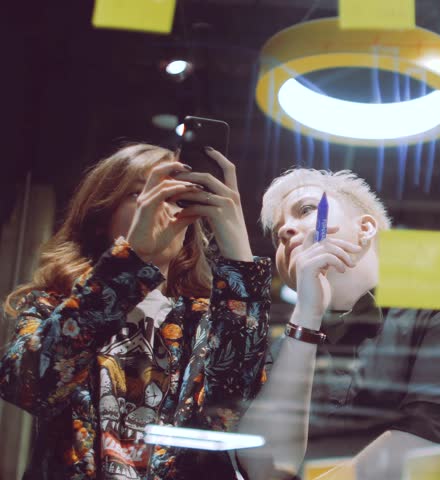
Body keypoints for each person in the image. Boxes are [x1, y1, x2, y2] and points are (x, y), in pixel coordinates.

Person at [0, 143, 272, 479]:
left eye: (176, 196)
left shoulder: (209, 321)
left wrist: (238, 252)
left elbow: (228, 415)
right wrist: (131, 258)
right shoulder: (55, 305)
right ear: (101, 217)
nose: (158, 204)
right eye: (138, 194)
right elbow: (25, 388)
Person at [237, 169, 440, 480]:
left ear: (365, 229)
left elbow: (431, 438)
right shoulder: (285, 347)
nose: (285, 232)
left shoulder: (438, 311)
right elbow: (264, 470)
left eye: (305, 210)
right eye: (277, 233)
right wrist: (306, 315)